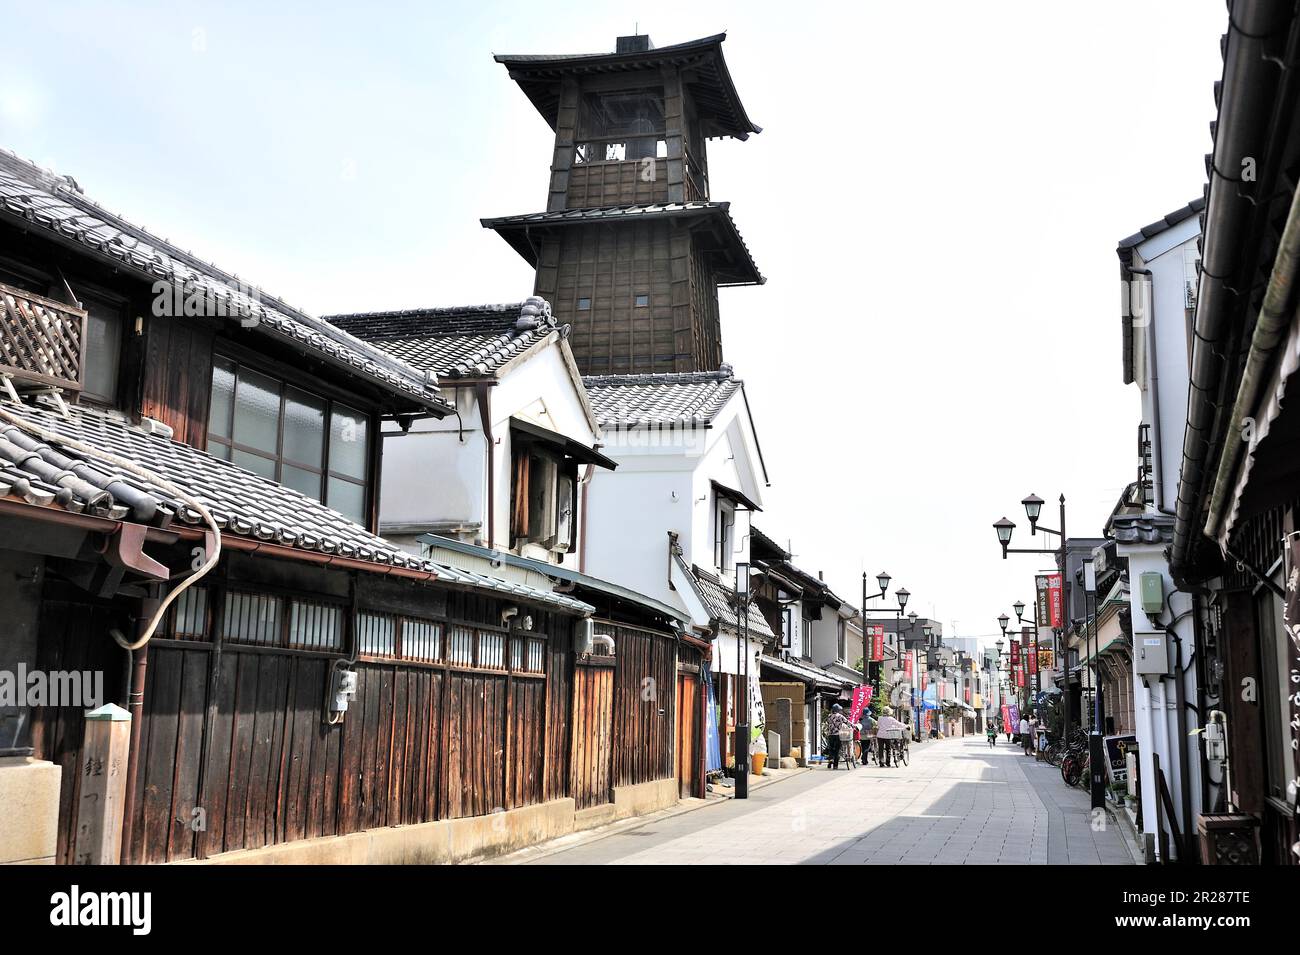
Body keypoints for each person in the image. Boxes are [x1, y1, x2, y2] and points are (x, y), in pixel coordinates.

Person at [827, 704, 849, 769]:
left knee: (831, 749)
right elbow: (847, 722)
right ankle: (835, 765)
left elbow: (828, 723)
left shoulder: (829, 716)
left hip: (830, 735)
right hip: (838, 735)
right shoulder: (840, 716)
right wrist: (855, 726)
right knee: (837, 750)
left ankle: (831, 759)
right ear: (838, 710)